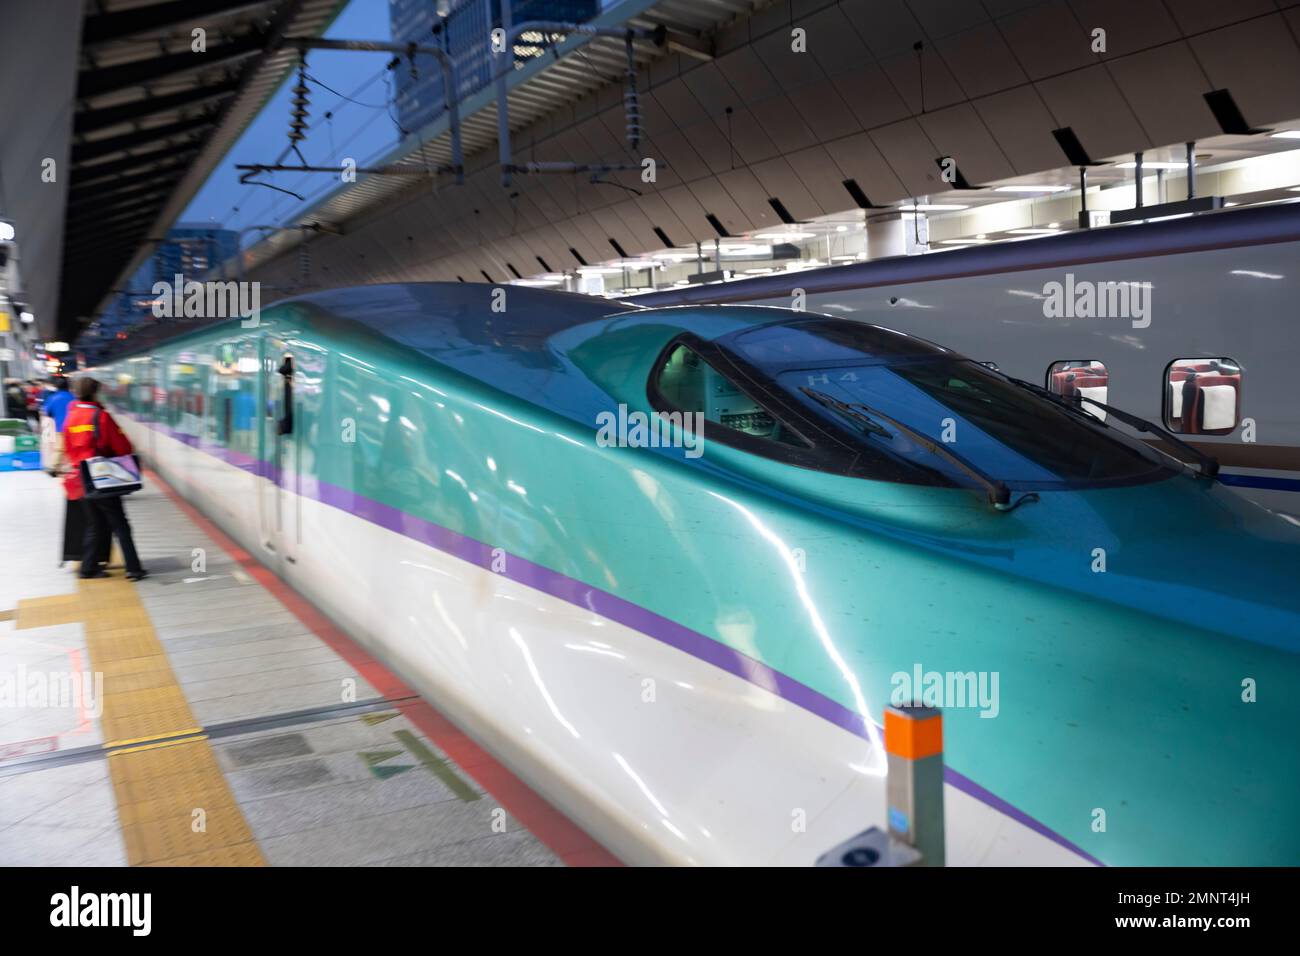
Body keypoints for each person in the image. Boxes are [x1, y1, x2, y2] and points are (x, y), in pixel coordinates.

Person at [63, 377, 147, 581]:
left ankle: (87, 569)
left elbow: (68, 448)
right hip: (101, 477)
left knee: (94, 524)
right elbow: (123, 447)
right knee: (120, 525)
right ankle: (133, 569)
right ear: (94, 392)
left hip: (79, 478)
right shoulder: (100, 416)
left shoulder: (71, 417)